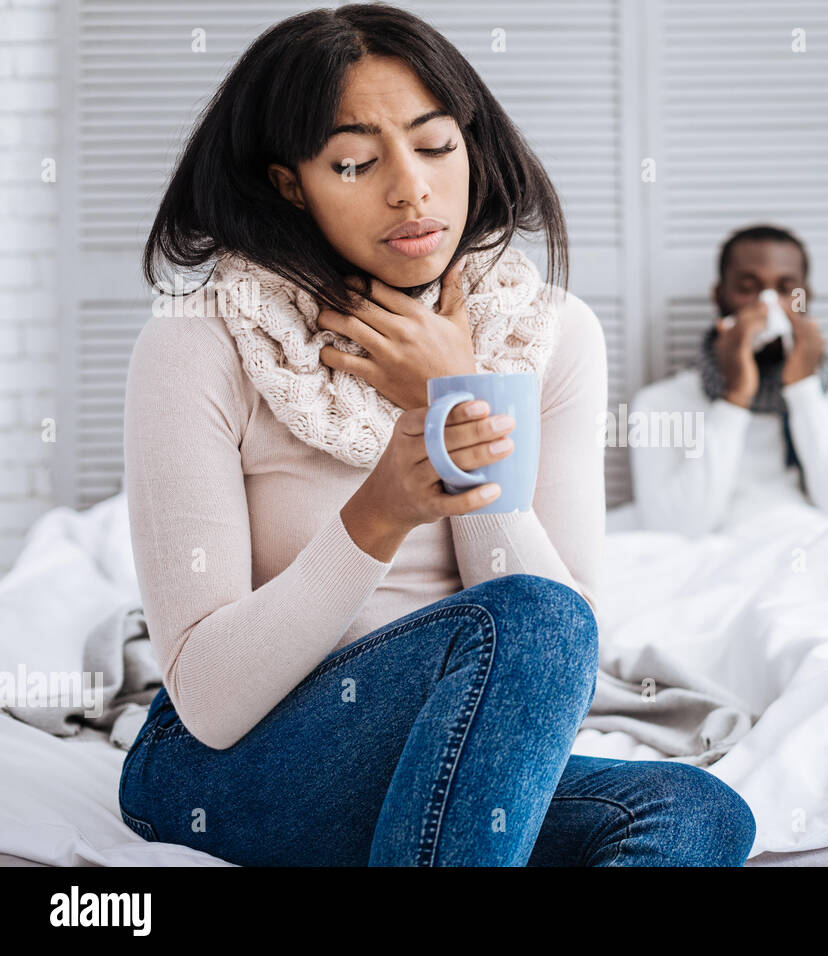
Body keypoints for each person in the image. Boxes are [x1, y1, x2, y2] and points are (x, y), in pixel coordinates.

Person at [118, 3, 754, 867]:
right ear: (288, 182)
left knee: (696, 813)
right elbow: (210, 701)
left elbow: (567, 659)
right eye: (354, 161)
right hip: (227, 767)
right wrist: (378, 513)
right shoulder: (200, 343)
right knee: (532, 620)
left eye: (435, 144)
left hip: (451, 754)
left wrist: (455, 403)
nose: (411, 188)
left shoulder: (550, 334)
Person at [629, 224, 828, 536]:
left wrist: (803, 388)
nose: (768, 307)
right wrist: (734, 397)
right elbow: (676, 526)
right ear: (719, 297)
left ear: (805, 297)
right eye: (748, 289)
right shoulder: (662, 403)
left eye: (786, 290)